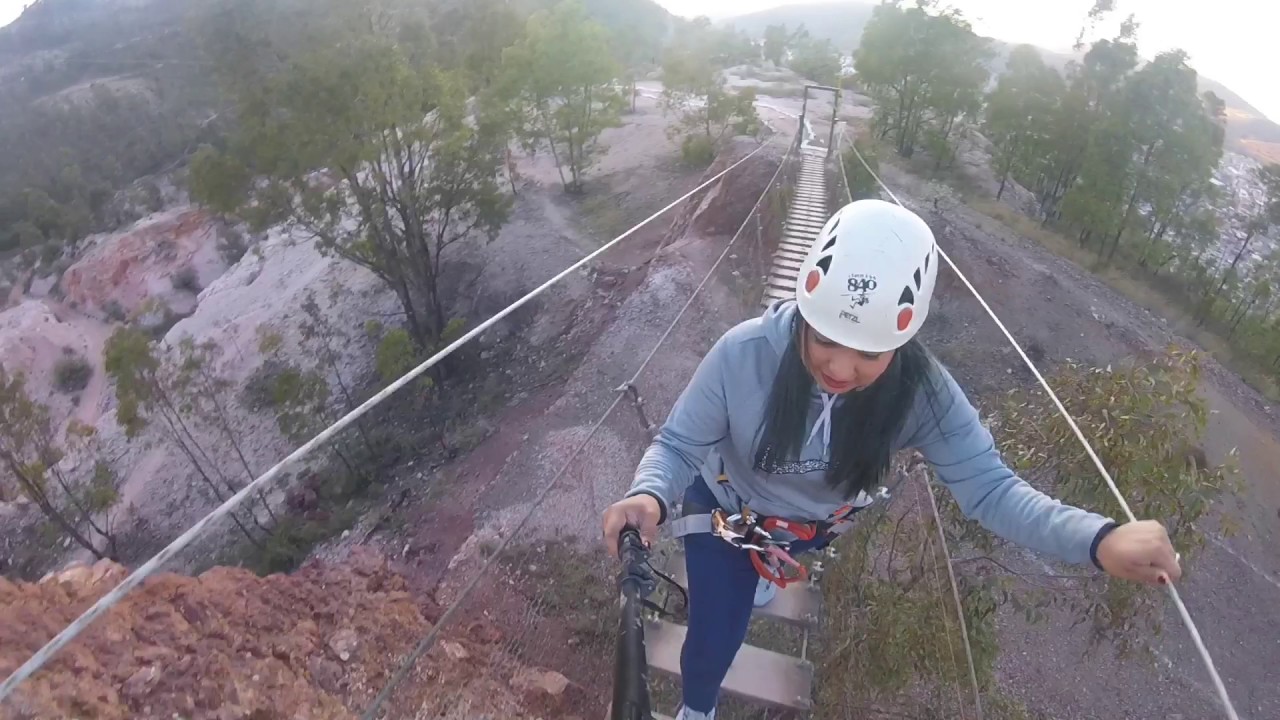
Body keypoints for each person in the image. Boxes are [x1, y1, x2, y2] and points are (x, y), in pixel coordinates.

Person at [600, 199, 1182, 720]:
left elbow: (991, 490)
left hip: (803, 530)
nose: (841, 368)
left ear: (901, 341)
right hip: (725, 515)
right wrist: (650, 492)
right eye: (824, 337)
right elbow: (678, 444)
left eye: (870, 352)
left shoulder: (923, 394)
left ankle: (763, 573)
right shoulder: (744, 354)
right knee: (713, 634)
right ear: (804, 308)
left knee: (756, 581)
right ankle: (697, 709)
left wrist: (1098, 539)